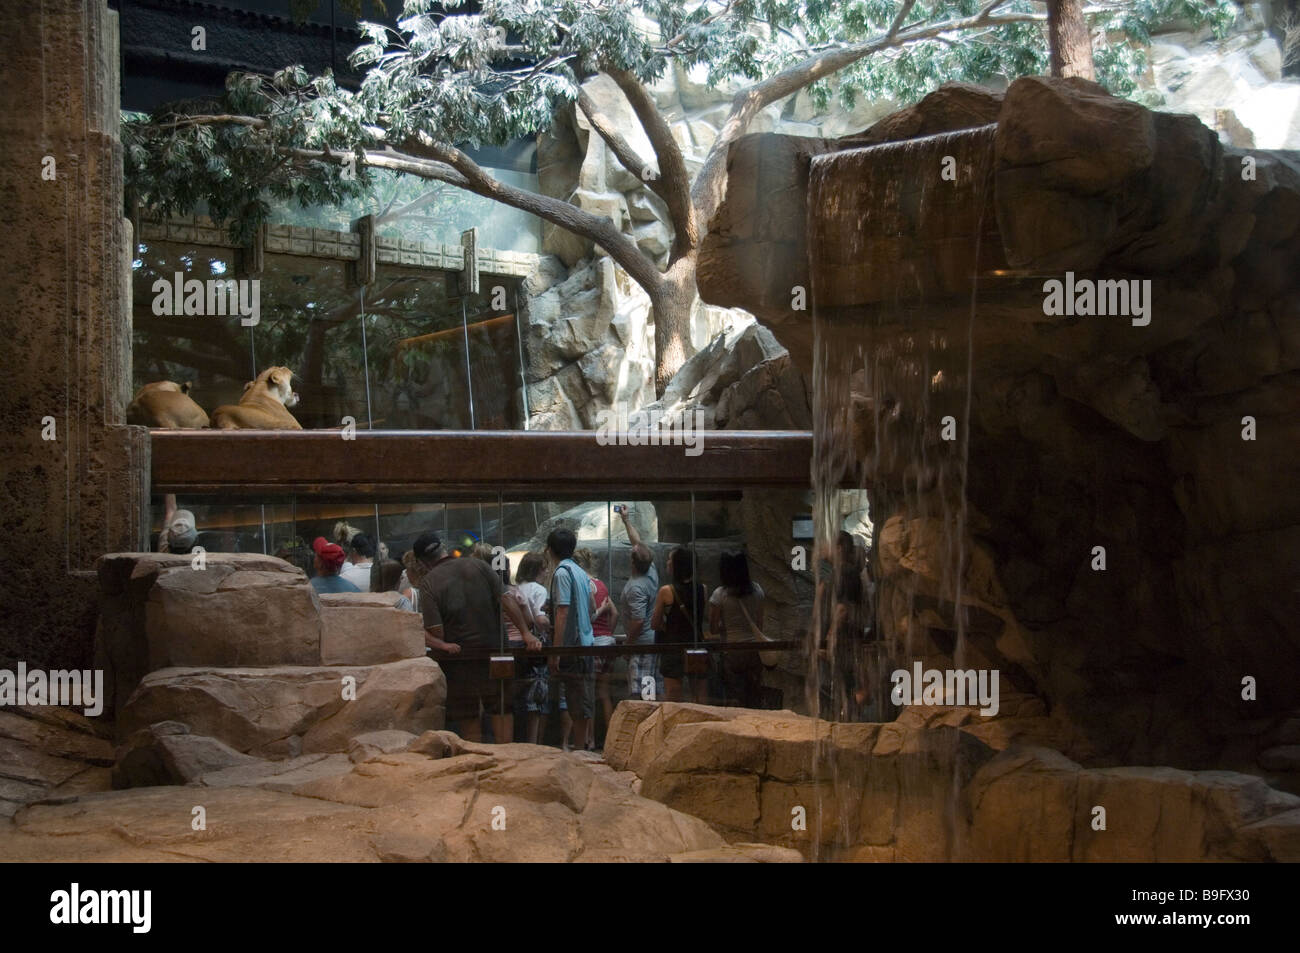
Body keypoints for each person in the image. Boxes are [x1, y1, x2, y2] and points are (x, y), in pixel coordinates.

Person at [413, 531, 532, 742]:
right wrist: (526, 633)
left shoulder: (429, 583)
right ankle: (509, 757)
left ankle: (476, 760)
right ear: (443, 548)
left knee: (467, 711)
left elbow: (437, 630)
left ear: (422, 562)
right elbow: (507, 600)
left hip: (460, 660)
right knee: (500, 706)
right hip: (496, 651)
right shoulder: (479, 565)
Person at [545, 528, 597, 752]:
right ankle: (581, 747)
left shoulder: (562, 573)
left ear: (549, 550)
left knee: (575, 698)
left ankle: (578, 748)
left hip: (571, 645)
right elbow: (592, 607)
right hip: (586, 641)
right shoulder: (580, 571)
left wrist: (556, 652)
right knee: (581, 696)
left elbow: (563, 612)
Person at [651, 546, 709, 704]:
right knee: (699, 696)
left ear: (677, 565)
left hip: (673, 648)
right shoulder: (702, 589)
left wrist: (667, 627)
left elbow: (655, 623)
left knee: (673, 695)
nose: (667, 562)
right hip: (695, 646)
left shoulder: (666, 591)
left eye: (670, 559)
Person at [709, 551, 767, 709]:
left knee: (734, 695)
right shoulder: (757, 590)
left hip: (731, 651)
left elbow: (713, 628)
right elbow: (759, 625)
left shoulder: (720, 594)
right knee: (753, 694)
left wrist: (725, 626)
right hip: (754, 650)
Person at [575, 548, 619, 749]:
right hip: (608, 642)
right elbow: (615, 613)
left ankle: (590, 740)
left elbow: (589, 615)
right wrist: (607, 633)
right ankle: (611, 740)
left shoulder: (585, 584)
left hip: (593, 643)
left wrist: (597, 631)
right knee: (604, 693)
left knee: (588, 694)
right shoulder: (601, 584)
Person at [505, 551, 550, 744]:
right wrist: (551, 623)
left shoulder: (513, 589)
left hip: (509, 645)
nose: (548, 571)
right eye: (545, 568)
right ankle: (533, 743)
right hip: (532, 646)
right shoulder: (538, 590)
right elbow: (539, 619)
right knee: (535, 696)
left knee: (514, 696)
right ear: (540, 569)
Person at [616, 506, 660, 701]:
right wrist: (626, 520)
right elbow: (638, 543)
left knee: (643, 694)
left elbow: (639, 620)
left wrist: (628, 644)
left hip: (641, 644)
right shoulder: (650, 571)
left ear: (633, 562)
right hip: (648, 642)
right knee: (648, 687)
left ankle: (646, 726)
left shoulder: (636, 587)